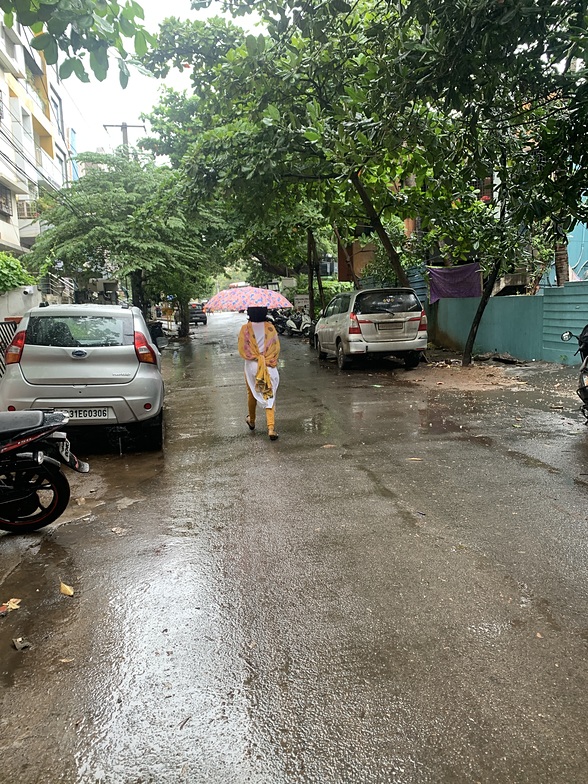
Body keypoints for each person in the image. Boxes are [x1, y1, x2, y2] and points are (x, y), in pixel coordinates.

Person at [238, 306, 280, 440]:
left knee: (252, 391)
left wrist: (255, 356)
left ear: (249, 312)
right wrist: (267, 358)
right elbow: (276, 347)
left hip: (251, 365)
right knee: (269, 392)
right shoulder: (270, 328)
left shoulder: (245, 329)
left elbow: (242, 348)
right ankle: (271, 428)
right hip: (268, 364)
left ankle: (252, 420)